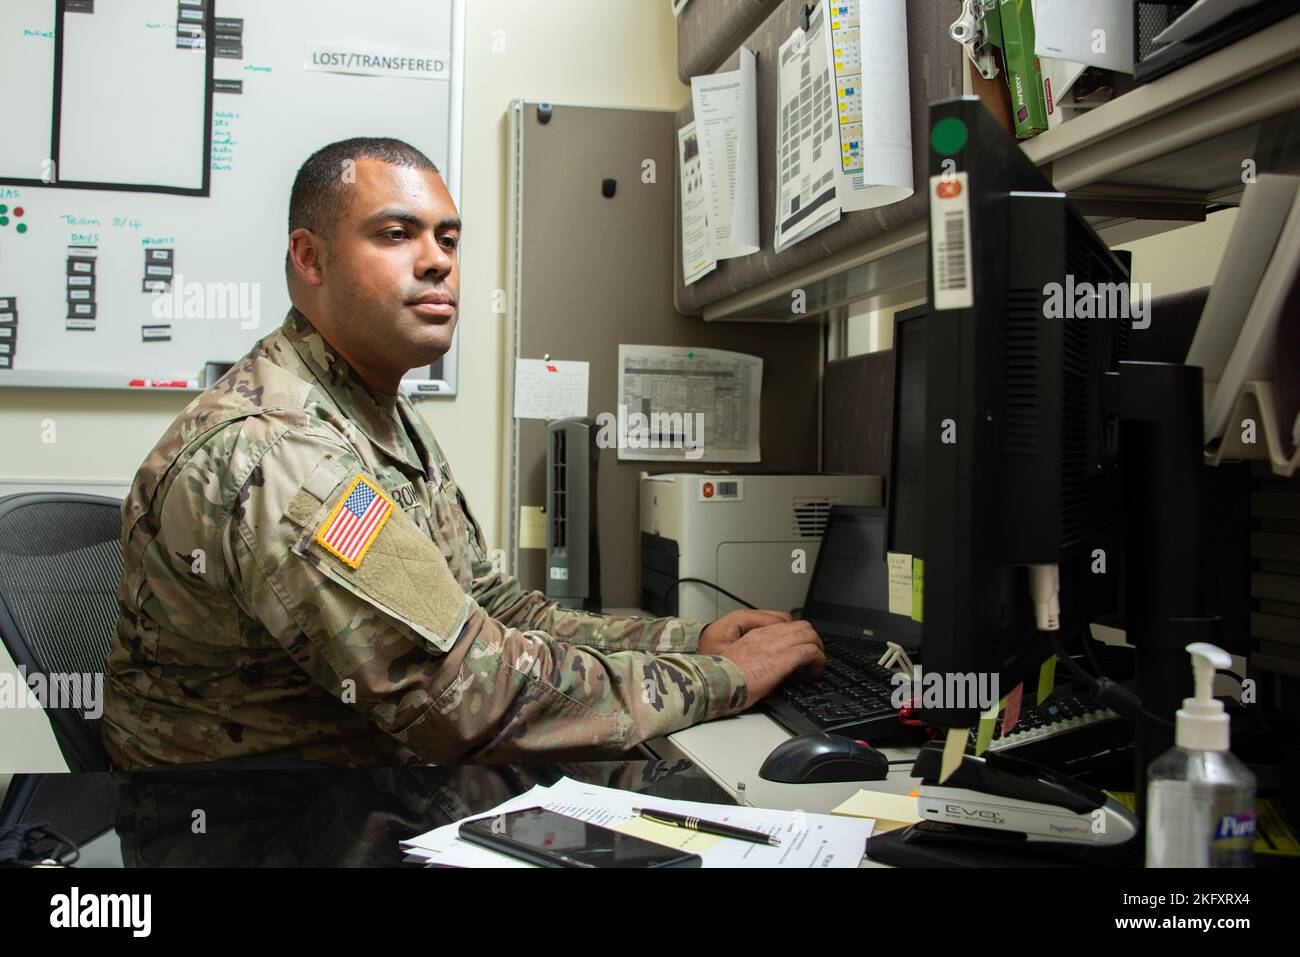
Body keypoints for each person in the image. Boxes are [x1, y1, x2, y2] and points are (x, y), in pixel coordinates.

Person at [102, 138, 825, 769]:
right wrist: (721, 678)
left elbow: (491, 608)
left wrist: (692, 639)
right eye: (395, 234)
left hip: (368, 789)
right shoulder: (282, 454)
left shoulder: (379, 414)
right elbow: (469, 693)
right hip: (255, 831)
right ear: (309, 257)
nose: (437, 262)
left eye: (448, 239)